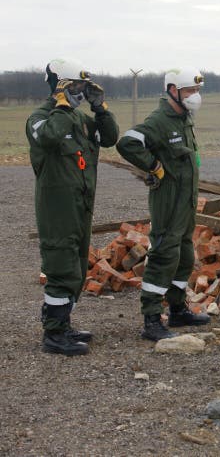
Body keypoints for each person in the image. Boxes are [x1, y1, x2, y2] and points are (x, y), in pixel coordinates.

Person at [27, 59, 119, 356]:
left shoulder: (80, 120)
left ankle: (63, 323)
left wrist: (100, 108)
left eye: (83, 86)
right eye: (75, 86)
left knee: (77, 265)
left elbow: (109, 138)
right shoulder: (41, 118)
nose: (80, 91)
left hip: (81, 204)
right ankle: (53, 334)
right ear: (59, 86)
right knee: (60, 265)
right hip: (57, 207)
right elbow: (49, 137)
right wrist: (62, 106)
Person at [116, 67, 210, 341]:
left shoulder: (184, 118)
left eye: (197, 90)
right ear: (172, 91)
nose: (195, 96)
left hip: (186, 199)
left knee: (184, 254)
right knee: (163, 255)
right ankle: (152, 320)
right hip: (168, 199)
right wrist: (153, 166)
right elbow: (127, 143)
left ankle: (178, 309)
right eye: (190, 91)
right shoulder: (159, 120)